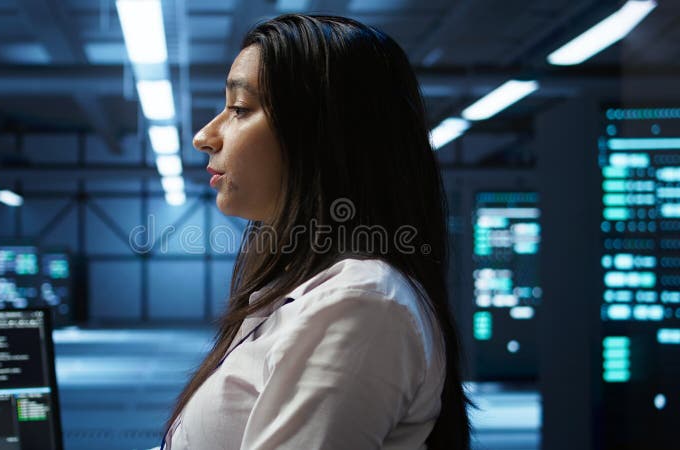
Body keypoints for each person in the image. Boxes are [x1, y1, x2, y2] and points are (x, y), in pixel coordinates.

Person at [158, 13, 471, 450]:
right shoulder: (305, 293)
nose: (205, 136)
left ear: (323, 134)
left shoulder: (359, 304)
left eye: (241, 109)